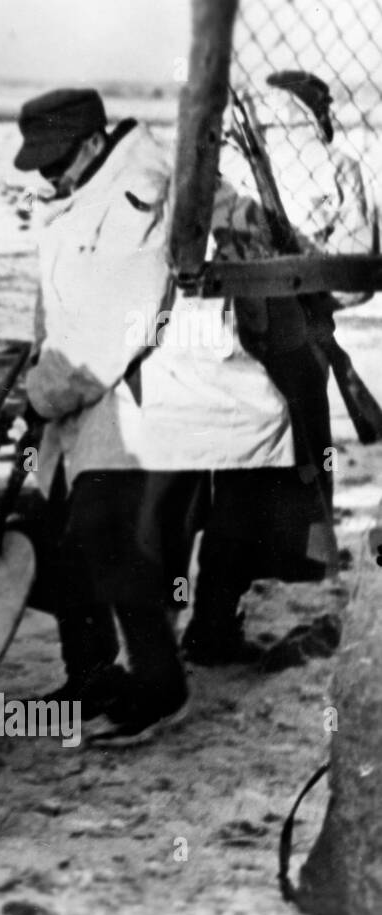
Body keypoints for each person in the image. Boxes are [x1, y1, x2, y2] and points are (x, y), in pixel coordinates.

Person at [15, 88, 297, 745]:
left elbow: (109, 327)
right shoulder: (89, 190)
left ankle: (158, 687)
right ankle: (91, 674)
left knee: (110, 537)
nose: (46, 175)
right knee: (75, 531)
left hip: (153, 399)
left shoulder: (137, 193)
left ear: (91, 143)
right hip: (109, 401)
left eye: (55, 160)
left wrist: (42, 392)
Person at [183, 69, 367, 664]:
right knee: (290, 485)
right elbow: (358, 272)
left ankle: (204, 618)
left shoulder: (222, 159)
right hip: (295, 345)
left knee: (228, 481)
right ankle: (221, 619)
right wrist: (313, 299)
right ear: (317, 109)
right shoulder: (334, 165)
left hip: (217, 342)